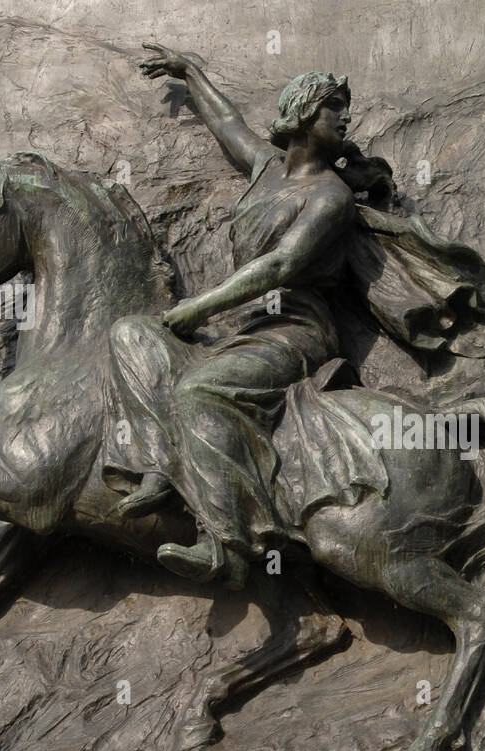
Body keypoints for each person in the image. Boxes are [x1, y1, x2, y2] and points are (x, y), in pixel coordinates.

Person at [107, 46, 358, 588]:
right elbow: (227, 122)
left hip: (294, 331)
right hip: (239, 331)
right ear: (301, 114)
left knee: (200, 391)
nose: (345, 118)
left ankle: (230, 545)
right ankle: (158, 469)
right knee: (131, 334)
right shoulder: (267, 169)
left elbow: (283, 262)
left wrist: (201, 305)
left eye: (345, 109)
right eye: (333, 107)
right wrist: (191, 71)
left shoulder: (333, 195)